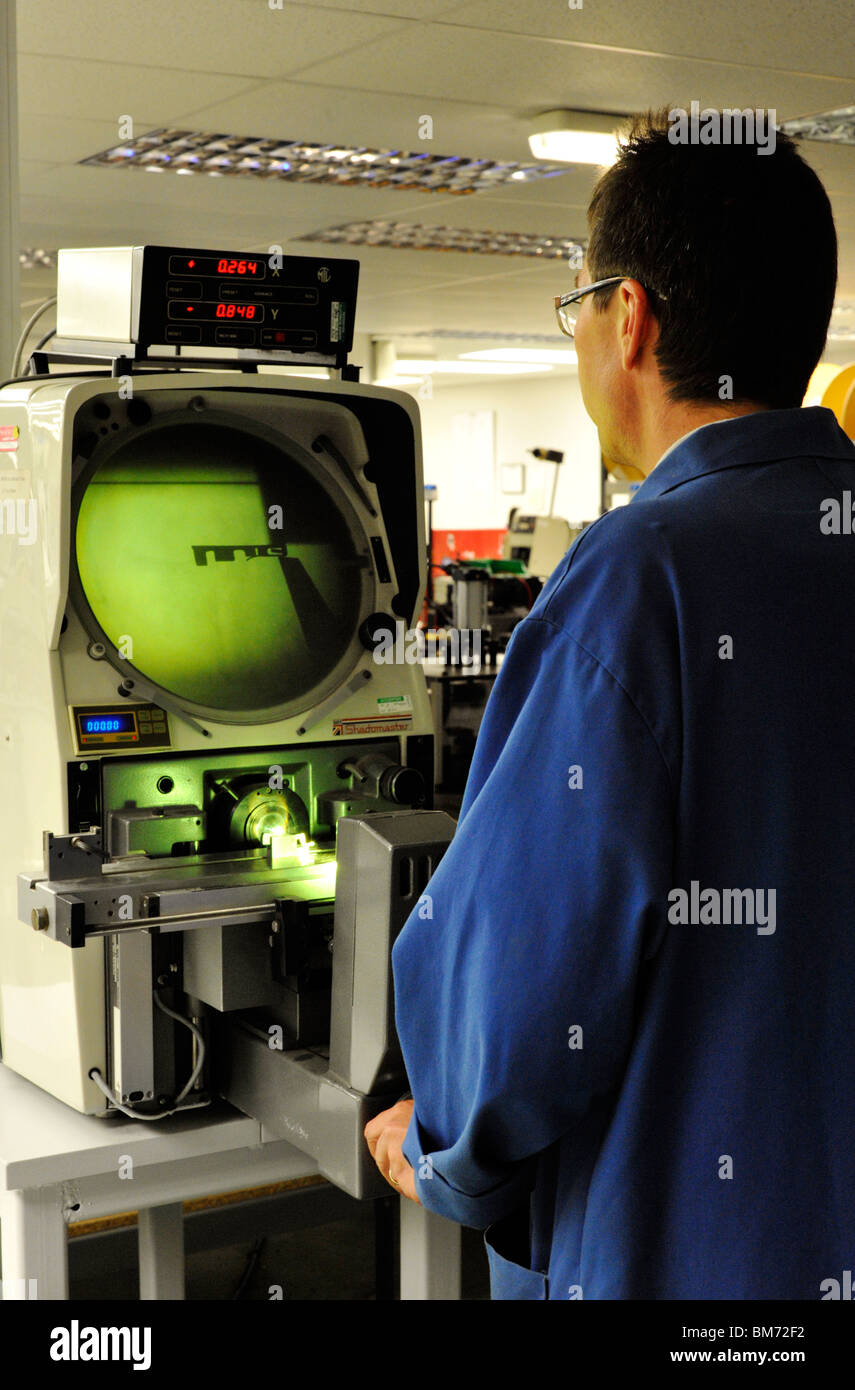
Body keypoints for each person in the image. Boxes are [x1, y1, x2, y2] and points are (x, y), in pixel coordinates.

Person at [365, 108, 855, 1299]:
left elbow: (523, 982)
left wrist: (440, 1147)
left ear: (626, 317)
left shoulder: (643, 577)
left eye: (576, 303)